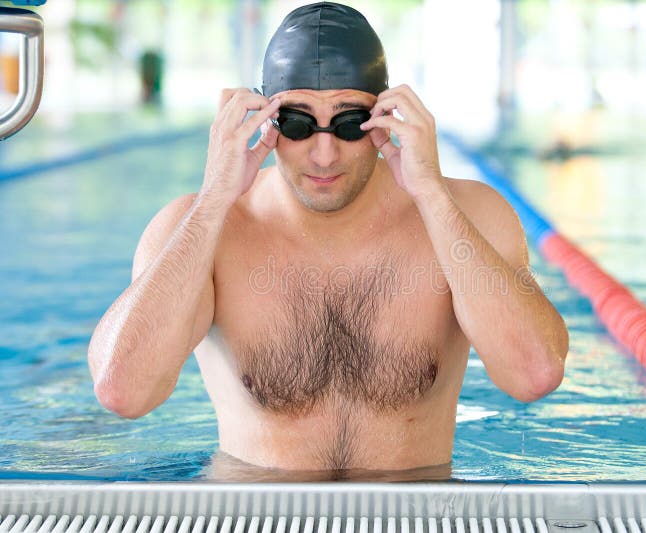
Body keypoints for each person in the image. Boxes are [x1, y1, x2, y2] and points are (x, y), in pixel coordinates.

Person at [88, 2, 568, 480]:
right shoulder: (201, 228)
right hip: (255, 517)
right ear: (266, 120)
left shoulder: (469, 214)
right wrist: (214, 198)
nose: (323, 154)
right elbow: (123, 391)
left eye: (348, 122)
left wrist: (433, 196)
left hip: (412, 516)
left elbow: (534, 375)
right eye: (297, 123)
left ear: (385, 116)